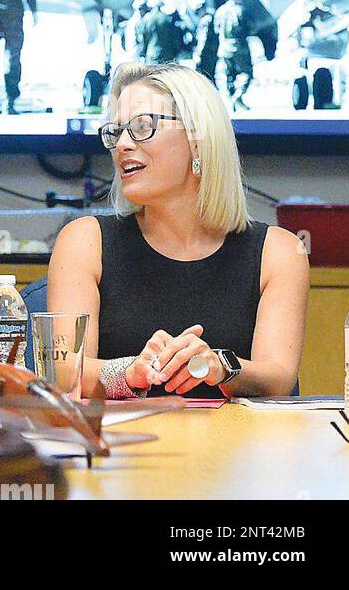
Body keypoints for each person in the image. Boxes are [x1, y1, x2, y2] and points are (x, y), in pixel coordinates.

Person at [48, 62, 307, 400]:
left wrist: (219, 366)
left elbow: (278, 379)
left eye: (142, 126)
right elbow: (64, 372)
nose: (122, 144)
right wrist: (128, 372)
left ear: (198, 141)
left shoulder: (281, 251)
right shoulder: (83, 241)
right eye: (116, 131)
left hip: (239, 449)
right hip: (120, 448)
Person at [214, 0, 254, 110]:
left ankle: (232, 101)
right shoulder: (240, 11)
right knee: (246, 72)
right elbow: (250, 29)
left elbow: (216, 30)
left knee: (229, 75)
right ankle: (237, 96)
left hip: (224, 48)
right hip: (239, 48)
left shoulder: (220, 11)